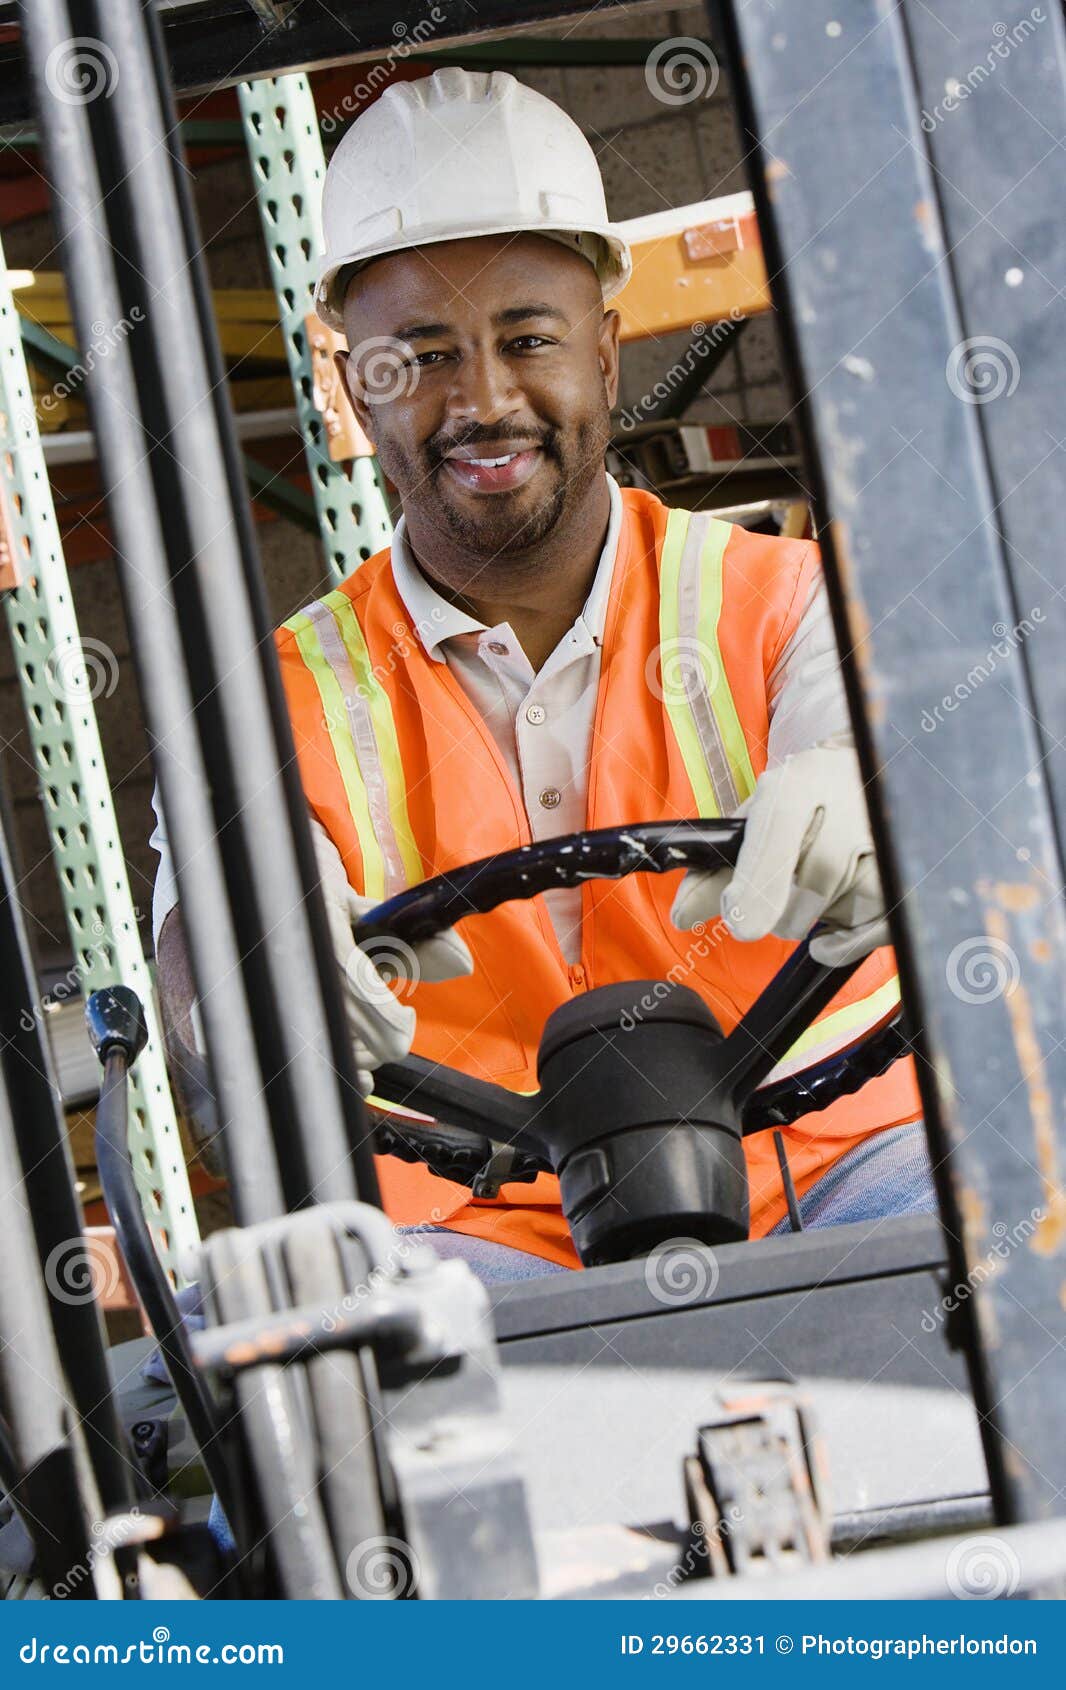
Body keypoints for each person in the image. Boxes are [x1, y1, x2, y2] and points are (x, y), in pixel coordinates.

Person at [153, 68, 933, 1283]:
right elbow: (210, 943)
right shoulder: (262, 704)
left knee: (996, 1258)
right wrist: (246, 967)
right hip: (480, 1226)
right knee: (368, 1375)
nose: (482, 401)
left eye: (527, 339)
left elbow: (893, 762)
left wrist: (877, 800)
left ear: (607, 353)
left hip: (830, 1158)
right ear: (357, 385)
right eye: (417, 357)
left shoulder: (785, 603)